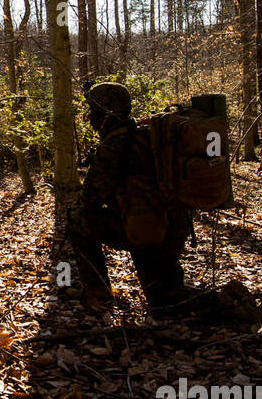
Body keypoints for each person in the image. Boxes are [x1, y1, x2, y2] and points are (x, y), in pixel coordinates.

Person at [67, 81, 193, 312]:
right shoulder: (145, 135)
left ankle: (97, 292)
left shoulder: (115, 144)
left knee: (76, 218)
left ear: (106, 114)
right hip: (174, 228)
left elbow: (88, 200)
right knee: (167, 301)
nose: (90, 119)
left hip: (146, 231)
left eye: (94, 112)